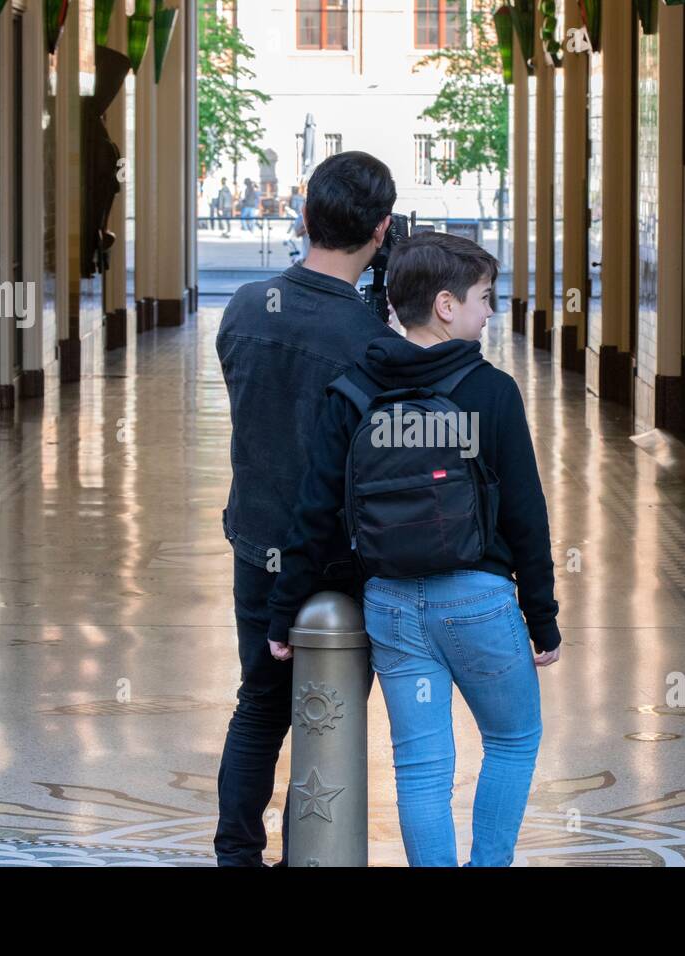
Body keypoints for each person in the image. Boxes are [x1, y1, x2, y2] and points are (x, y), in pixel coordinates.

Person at [266, 232, 562, 867]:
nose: (491, 310)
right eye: (485, 297)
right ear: (447, 306)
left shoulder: (353, 391)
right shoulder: (491, 392)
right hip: (478, 604)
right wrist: (542, 616)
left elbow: (313, 512)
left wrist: (283, 611)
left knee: (423, 767)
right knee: (513, 739)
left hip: (391, 606)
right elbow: (526, 515)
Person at [214, 151, 398, 867]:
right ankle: (309, 855)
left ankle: (236, 856)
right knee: (330, 715)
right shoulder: (373, 344)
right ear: (381, 230)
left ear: (303, 214)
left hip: (255, 541)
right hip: (337, 564)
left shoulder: (244, 307)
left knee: (259, 705)